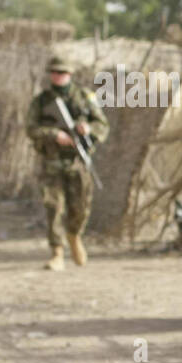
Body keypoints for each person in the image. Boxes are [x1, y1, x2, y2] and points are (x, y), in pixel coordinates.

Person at [24, 56, 109, 270]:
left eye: (61, 73)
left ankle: (74, 236)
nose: (57, 76)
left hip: (78, 161)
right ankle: (57, 253)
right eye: (54, 72)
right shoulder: (42, 101)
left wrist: (87, 129)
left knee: (80, 207)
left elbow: (102, 125)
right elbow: (31, 128)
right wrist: (54, 135)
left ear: (70, 74)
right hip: (52, 161)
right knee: (53, 206)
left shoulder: (84, 97)